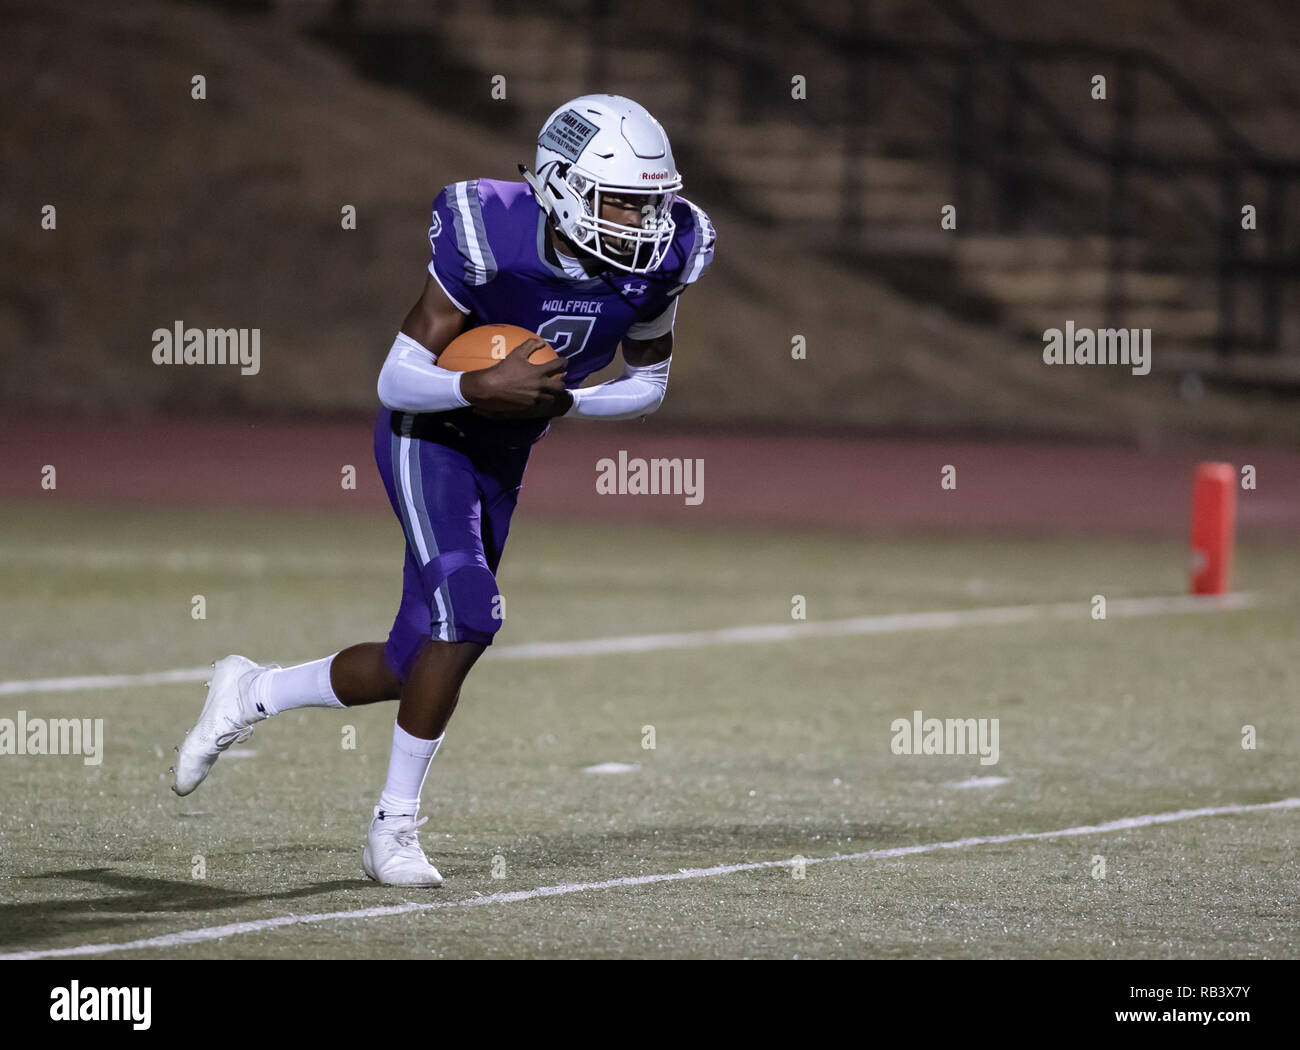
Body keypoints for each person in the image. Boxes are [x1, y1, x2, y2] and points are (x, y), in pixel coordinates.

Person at [172, 94, 716, 886]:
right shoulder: (488, 227)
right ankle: (392, 830)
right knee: (469, 609)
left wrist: (560, 403)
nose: (644, 223)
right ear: (561, 185)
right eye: (623, 203)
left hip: (504, 447)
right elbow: (397, 377)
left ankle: (251, 691)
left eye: (651, 204)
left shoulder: (671, 252)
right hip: (429, 431)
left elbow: (650, 383)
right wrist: (478, 389)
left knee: (410, 660)